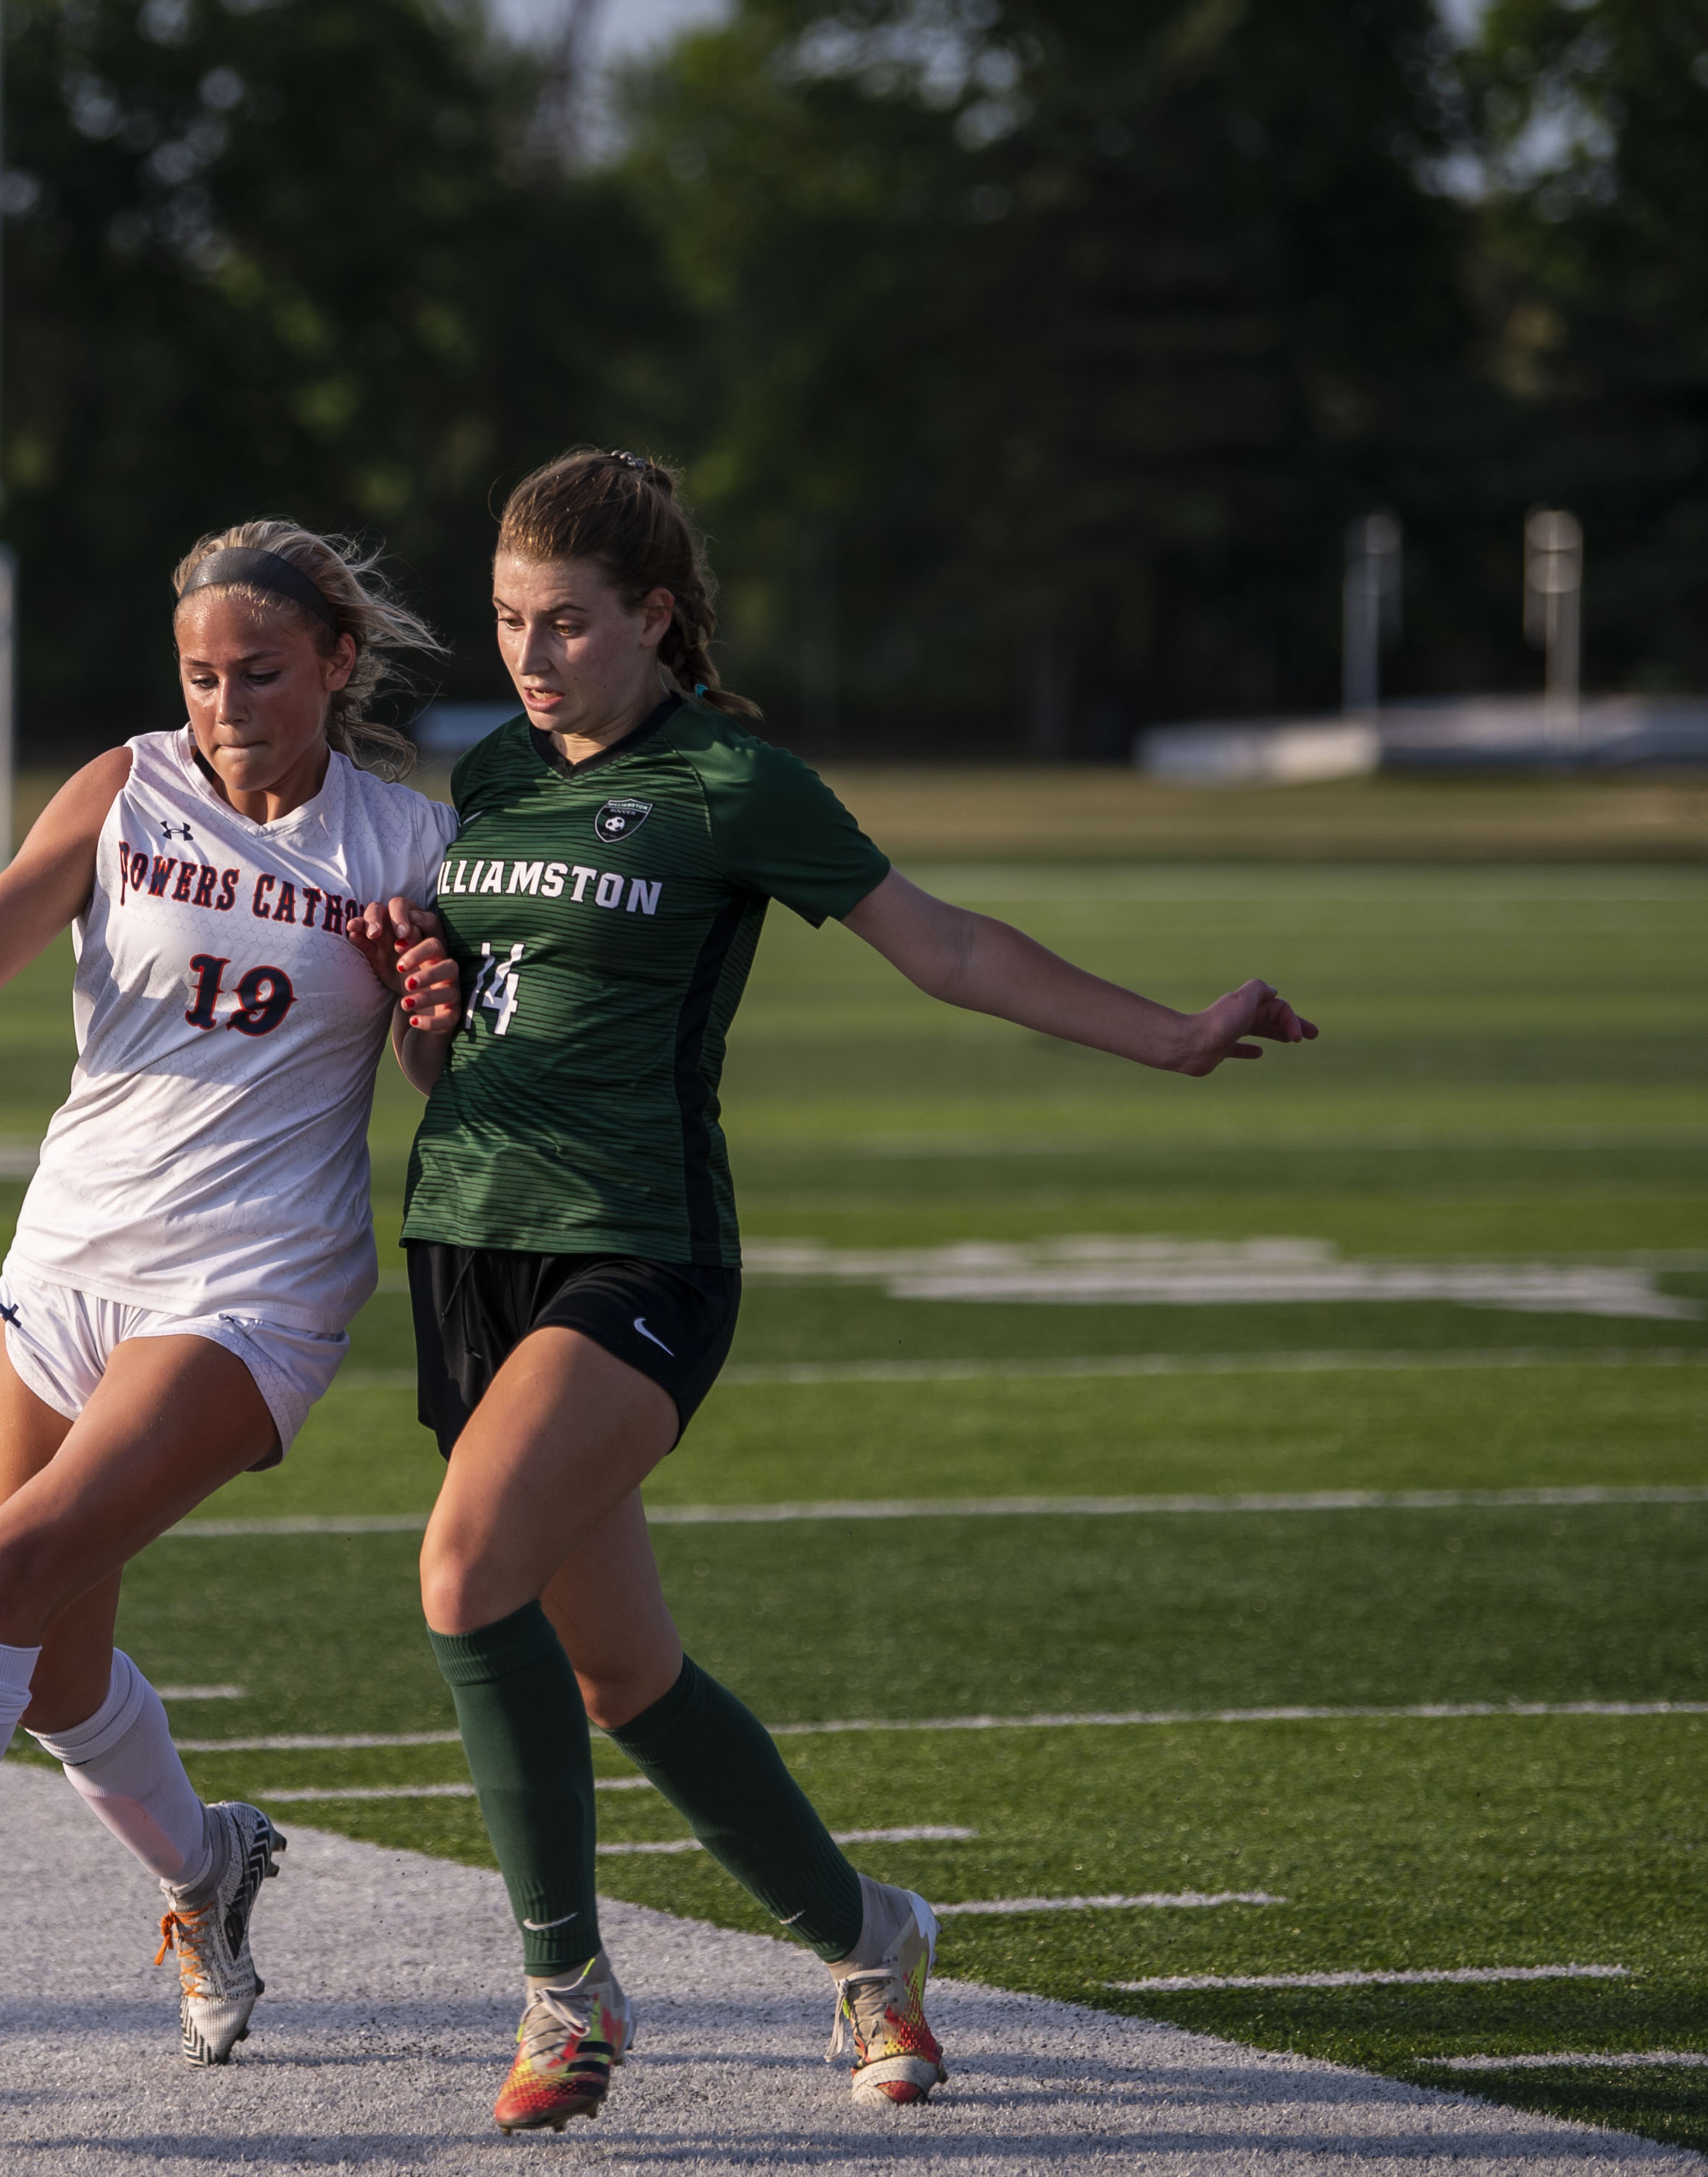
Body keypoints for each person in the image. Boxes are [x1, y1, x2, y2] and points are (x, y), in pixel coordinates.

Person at [381, 448, 1318, 2134]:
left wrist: (1167, 1032)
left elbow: (944, 946)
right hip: (463, 1241)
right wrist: (420, 1011)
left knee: (462, 1578)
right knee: (620, 1677)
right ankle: (872, 1942)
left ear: (653, 617)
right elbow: (448, 1038)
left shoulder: (734, 782)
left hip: (638, 1247)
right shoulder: (490, 776)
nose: (529, 656)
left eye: (569, 623)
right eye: (509, 621)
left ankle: (566, 1998)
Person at [0, 524, 465, 2087]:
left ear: (336, 665)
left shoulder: (404, 844)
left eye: (258, 674)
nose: (224, 705)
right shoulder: (121, 788)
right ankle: (206, 1873)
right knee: (54, 1671)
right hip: (64, 1261)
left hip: (248, 1286)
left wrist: (429, 1012)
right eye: (200, 676)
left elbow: (434, 1080)